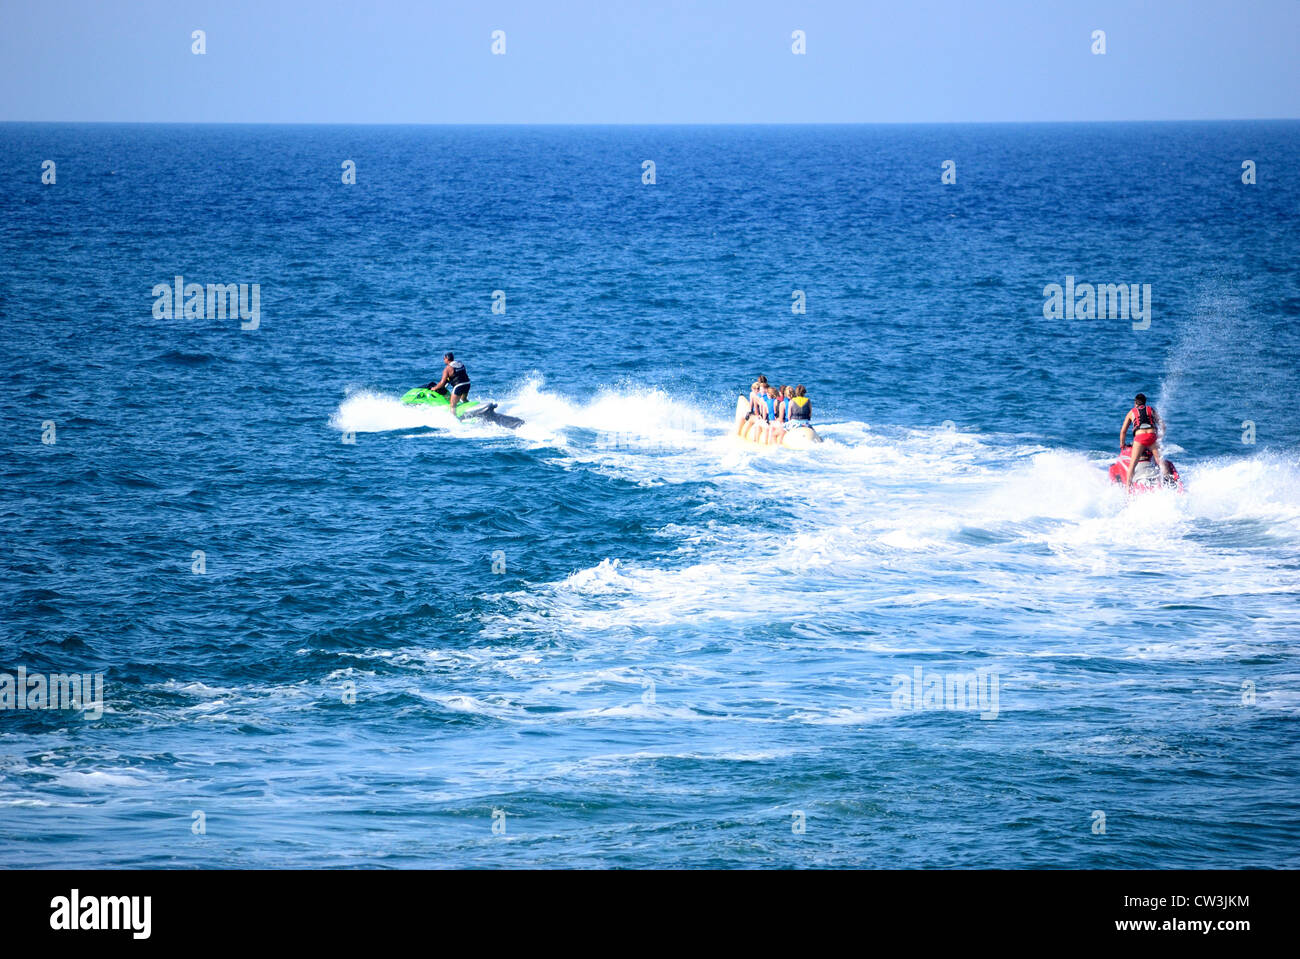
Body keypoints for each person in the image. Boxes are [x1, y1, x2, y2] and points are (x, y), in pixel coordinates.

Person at [1120, 392, 1163, 492]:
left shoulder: (1131, 412)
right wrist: (1159, 437)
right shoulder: (1151, 410)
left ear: (1135, 403)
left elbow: (1123, 431)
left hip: (1139, 438)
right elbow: (1163, 426)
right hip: (1152, 437)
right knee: (1159, 461)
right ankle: (1165, 483)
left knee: (1132, 465)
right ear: (1145, 402)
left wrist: (1122, 445)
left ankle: (1128, 490)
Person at [427, 352, 471, 416]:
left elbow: (442, 383)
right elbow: (459, 375)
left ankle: (454, 420)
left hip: (459, 386)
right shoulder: (460, 364)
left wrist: (434, 388)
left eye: (444, 358)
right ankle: (471, 409)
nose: (444, 360)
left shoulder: (447, 369)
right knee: (463, 399)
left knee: (452, 405)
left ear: (447, 359)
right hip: (467, 384)